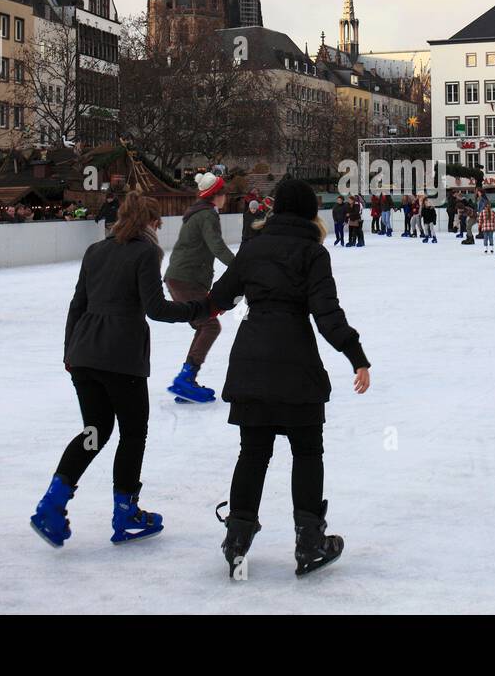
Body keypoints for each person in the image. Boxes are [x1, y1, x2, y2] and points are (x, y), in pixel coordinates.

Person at [209, 179, 371, 578]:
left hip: (251, 359)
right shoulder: (313, 252)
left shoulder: (252, 247)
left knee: (253, 452)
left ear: (276, 208)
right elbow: (327, 313)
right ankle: (310, 545)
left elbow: (219, 298)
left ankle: (237, 544)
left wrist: (184, 309)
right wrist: (357, 357)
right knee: (307, 451)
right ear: (309, 211)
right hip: (295, 361)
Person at [30, 193, 209, 548]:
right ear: (149, 221)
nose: (158, 228)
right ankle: (126, 512)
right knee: (131, 433)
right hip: (121, 356)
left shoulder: (96, 250)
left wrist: (70, 351)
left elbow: (77, 303)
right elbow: (155, 308)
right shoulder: (146, 252)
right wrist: (197, 309)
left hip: (84, 354)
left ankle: (52, 503)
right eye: (157, 222)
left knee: (94, 431)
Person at [164, 172, 235, 403]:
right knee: (210, 325)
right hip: (186, 279)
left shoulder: (201, 212)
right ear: (217, 195)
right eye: (225, 193)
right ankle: (186, 378)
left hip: (184, 278)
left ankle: (186, 380)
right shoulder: (206, 215)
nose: (227, 197)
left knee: (205, 324)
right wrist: (240, 268)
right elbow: (216, 246)